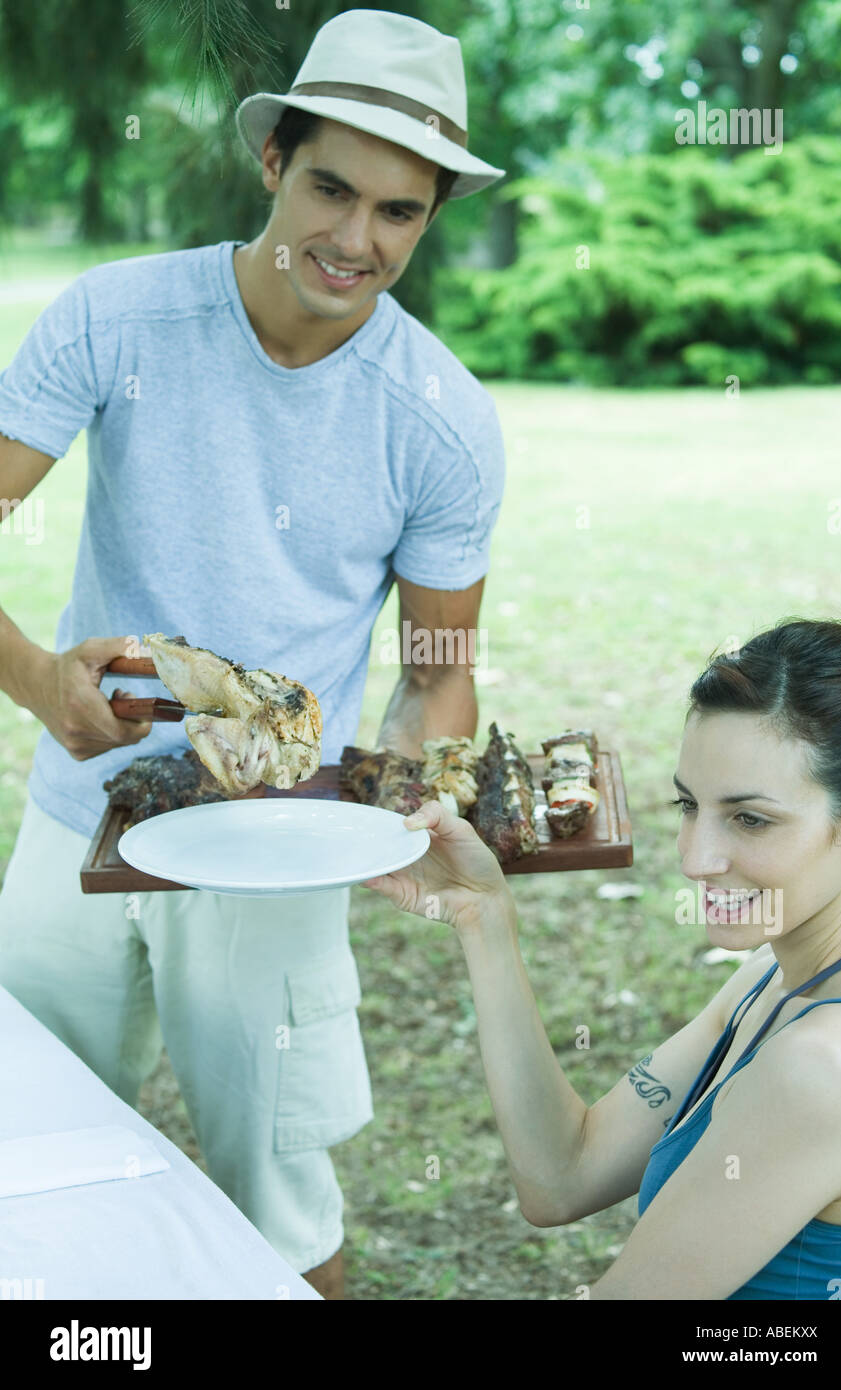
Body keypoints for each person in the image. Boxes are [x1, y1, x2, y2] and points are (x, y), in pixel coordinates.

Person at [0, 10, 506, 1299]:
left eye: (400, 212)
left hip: (276, 843)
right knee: (25, 1162)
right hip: (77, 816)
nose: (355, 241)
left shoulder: (443, 420)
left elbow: (438, 662)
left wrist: (401, 802)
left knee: (278, 1212)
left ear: (429, 217)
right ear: (273, 159)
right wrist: (42, 683)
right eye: (333, 186)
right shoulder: (116, 316)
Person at [363, 617, 841, 1299]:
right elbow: (561, 1176)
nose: (694, 858)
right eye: (688, 806)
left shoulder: (826, 1065)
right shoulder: (772, 983)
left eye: (749, 818)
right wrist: (483, 917)